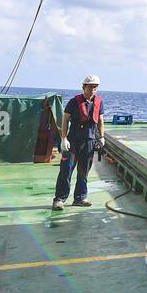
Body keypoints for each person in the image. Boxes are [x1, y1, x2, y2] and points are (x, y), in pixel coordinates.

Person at [53, 75, 105, 211]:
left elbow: (100, 121)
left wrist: (102, 137)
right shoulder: (74, 102)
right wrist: (64, 138)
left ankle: (80, 198)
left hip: (89, 141)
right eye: (90, 87)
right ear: (84, 87)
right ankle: (59, 199)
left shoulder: (99, 102)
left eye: (95, 87)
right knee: (66, 170)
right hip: (73, 141)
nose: (93, 89)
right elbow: (65, 120)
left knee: (83, 172)